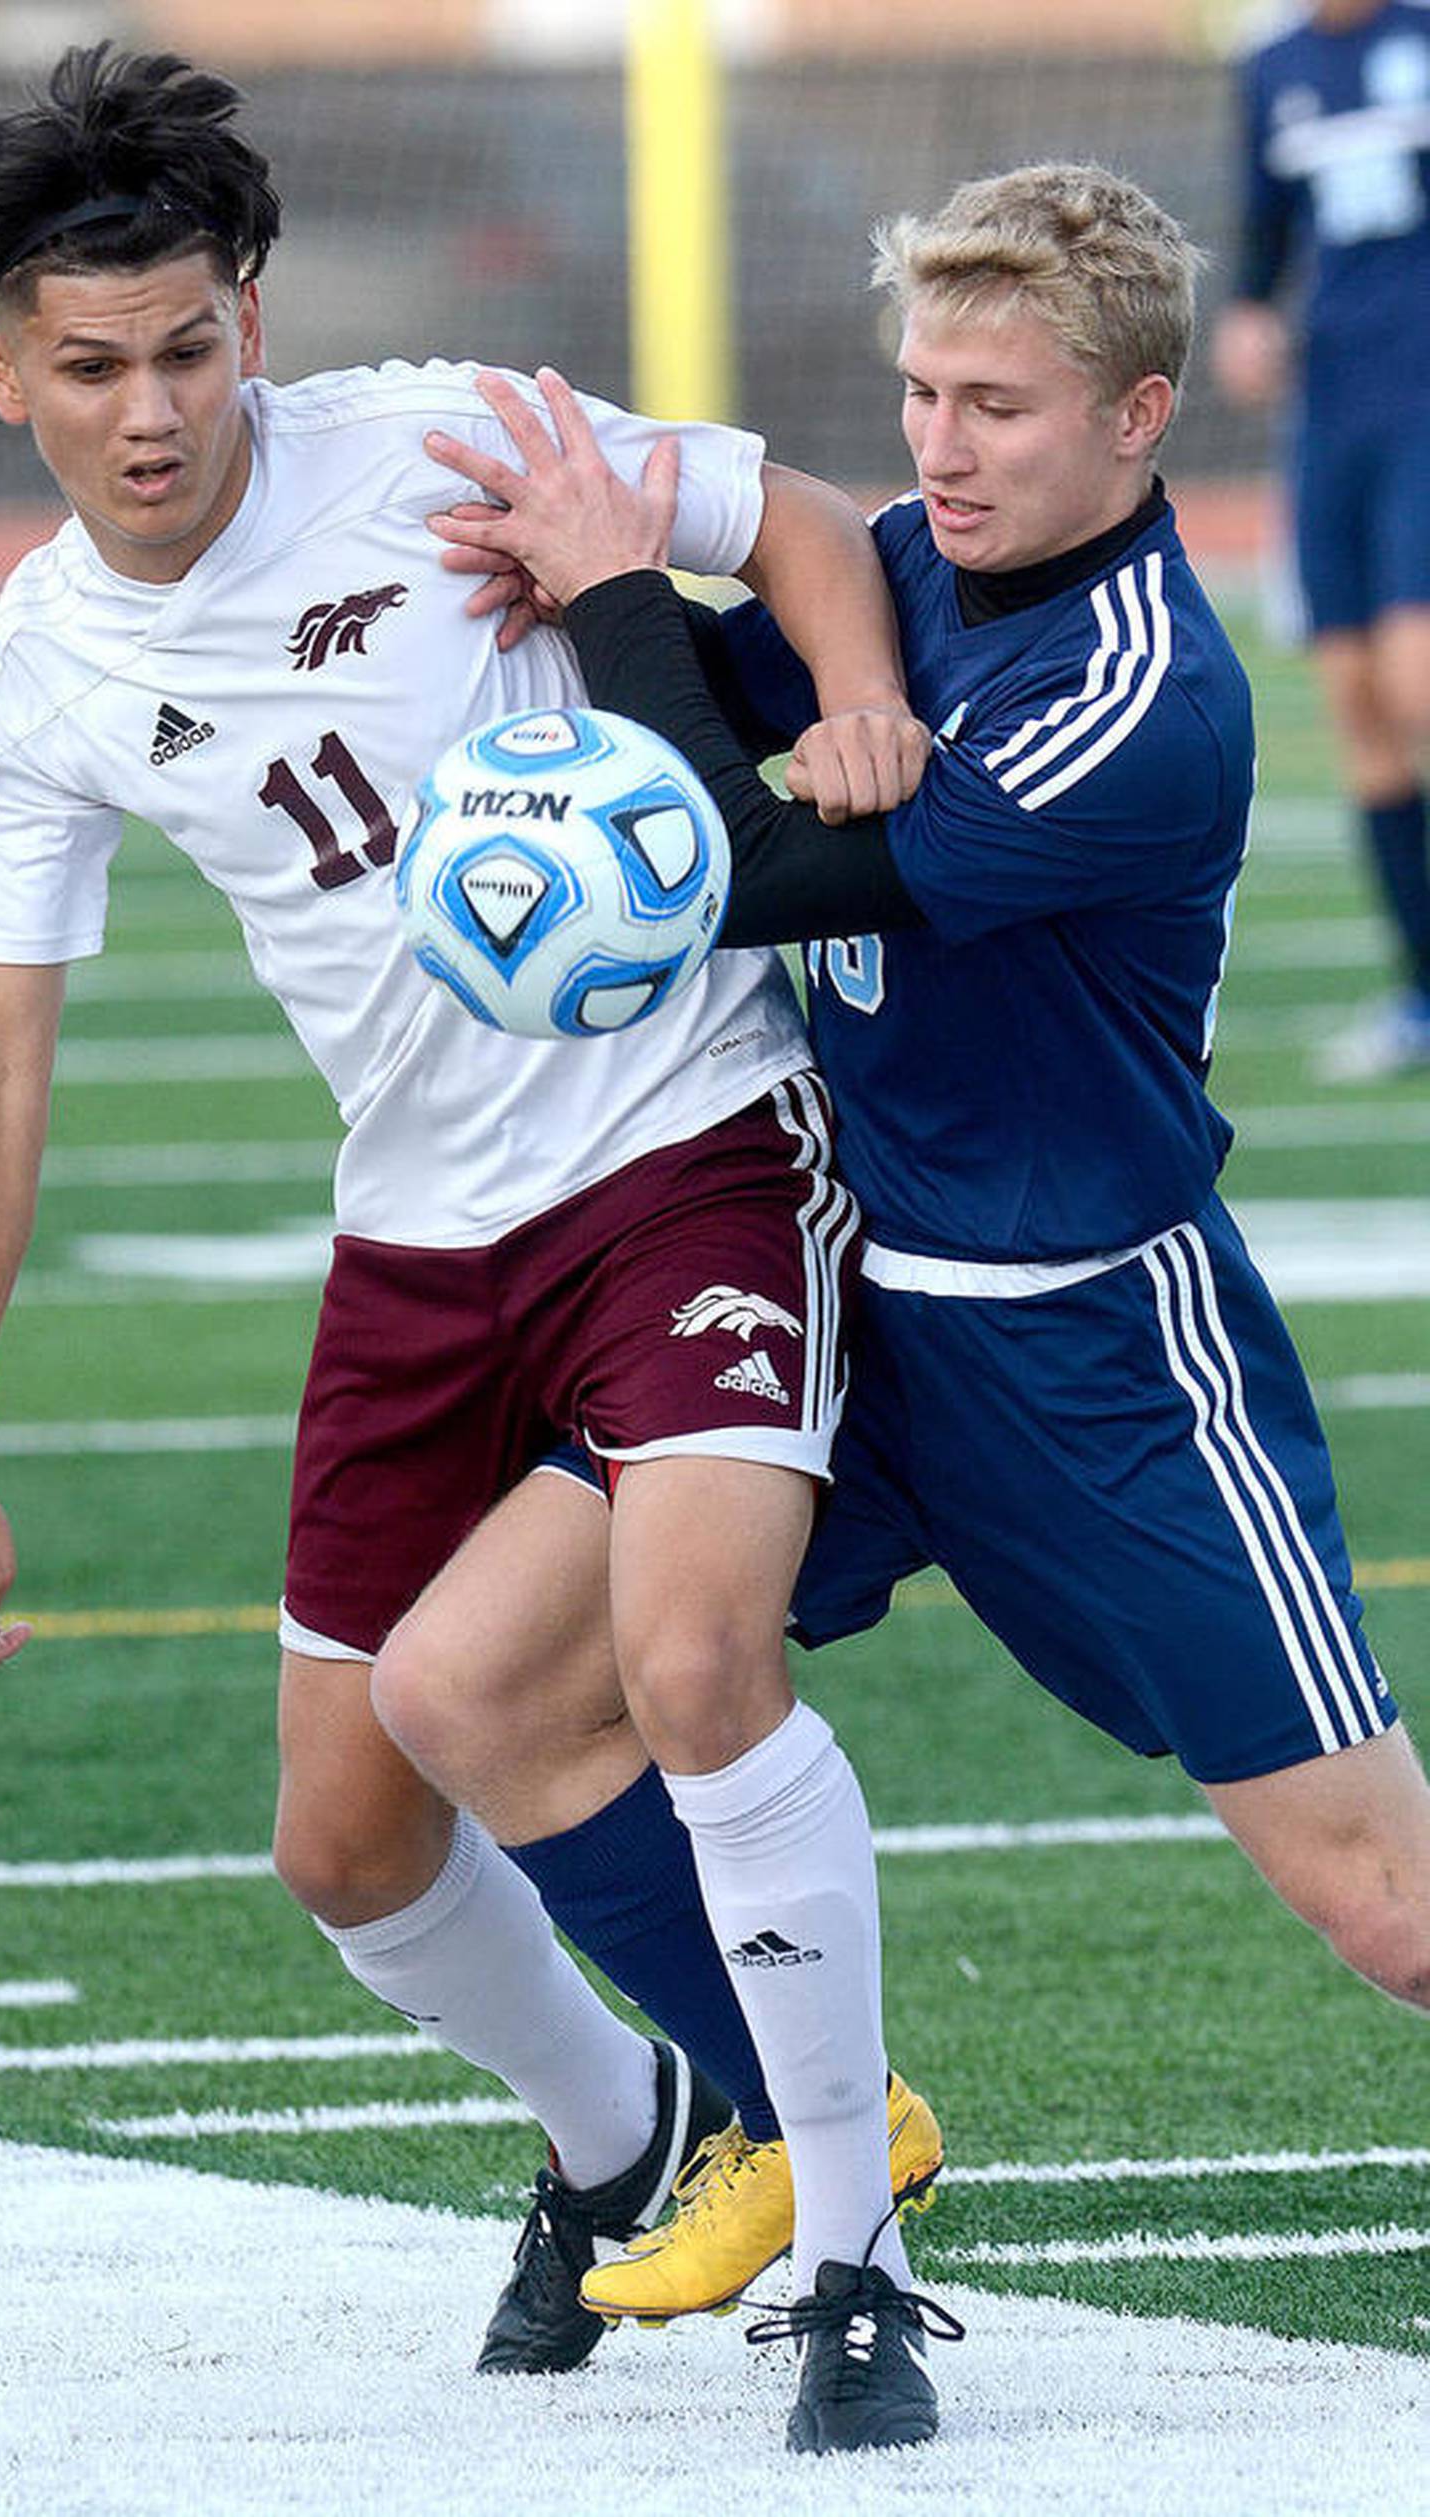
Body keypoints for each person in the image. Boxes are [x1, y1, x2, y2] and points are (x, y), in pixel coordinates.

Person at [0, 42, 948, 2455]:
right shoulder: (42, 671)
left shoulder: (443, 430)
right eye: (90, 369)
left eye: (186, 348)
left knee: (680, 1658)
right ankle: (621, 2147)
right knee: (345, 1829)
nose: (150, 411)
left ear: (246, 319)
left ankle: (852, 2244)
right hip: (421, 1226)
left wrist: (859, 714)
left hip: (684, 1135)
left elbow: (786, 509)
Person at [398, 160, 1430, 2335]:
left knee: (1384, 1905)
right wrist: (601, 594)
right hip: (843, 1308)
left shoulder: (1142, 685)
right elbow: (695, 688)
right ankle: (799, 2117)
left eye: (997, 406)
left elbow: (735, 870)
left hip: (1091, 1361)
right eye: (918, 397)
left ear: (1141, 416)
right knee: (476, 1683)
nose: (940, 451)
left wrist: (621, 605)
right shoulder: (899, 563)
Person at [1212, 0, 1430, 1080]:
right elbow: (1264, 239)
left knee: (1416, 682)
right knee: (1356, 703)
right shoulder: (1273, 66)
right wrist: (1249, 318)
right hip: (1330, 420)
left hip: (1422, 409)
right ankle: (1422, 992)